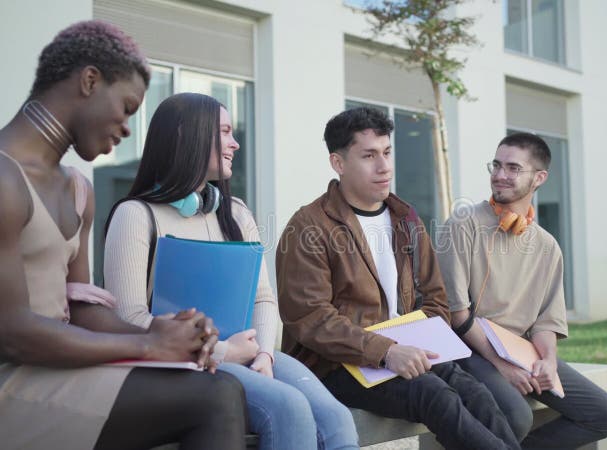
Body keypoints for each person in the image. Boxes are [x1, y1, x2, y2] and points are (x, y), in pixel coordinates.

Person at [0, 20, 247, 450]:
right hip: (13, 376)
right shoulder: (5, 178)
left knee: (219, 386)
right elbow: (14, 332)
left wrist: (169, 331)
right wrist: (149, 344)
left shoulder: (78, 190)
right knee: (214, 399)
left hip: (52, 370)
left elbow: (80, 311)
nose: (129, 128)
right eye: (128, 107)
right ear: (89, 81)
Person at [104, 92, 359, 450]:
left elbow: (263, 298)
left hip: (250, 351)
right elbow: (128, 317)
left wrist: (264, 355)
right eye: (224, 132)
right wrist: (224, 351)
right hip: (182, 361)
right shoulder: (134, 215)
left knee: (336, 418)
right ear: (187, 135)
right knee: (288, 408)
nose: (235, 143)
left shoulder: (236, 213)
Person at [276, 107, 521, 450]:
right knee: (435, 395)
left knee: (476, 394)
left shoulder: (404, 218)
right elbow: (310, 317)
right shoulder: (309, 226)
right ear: (338, 163)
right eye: (369, 156)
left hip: (406, 351)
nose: (384, 166)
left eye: (387, 152)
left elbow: (436, 297)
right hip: (336, 365)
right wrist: (386, 351)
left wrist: (420, 339)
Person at [439, 132, 607, 449]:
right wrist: (503, 365)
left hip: (520, 350)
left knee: (603, 414)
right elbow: (456, 314)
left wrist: (548, 360)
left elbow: (546, 322)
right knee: (517, 415)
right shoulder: (463, 224)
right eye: (496, 165)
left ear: (539, 178)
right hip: (468, 348)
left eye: (513, 168)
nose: (500, 175)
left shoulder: (547, 246)